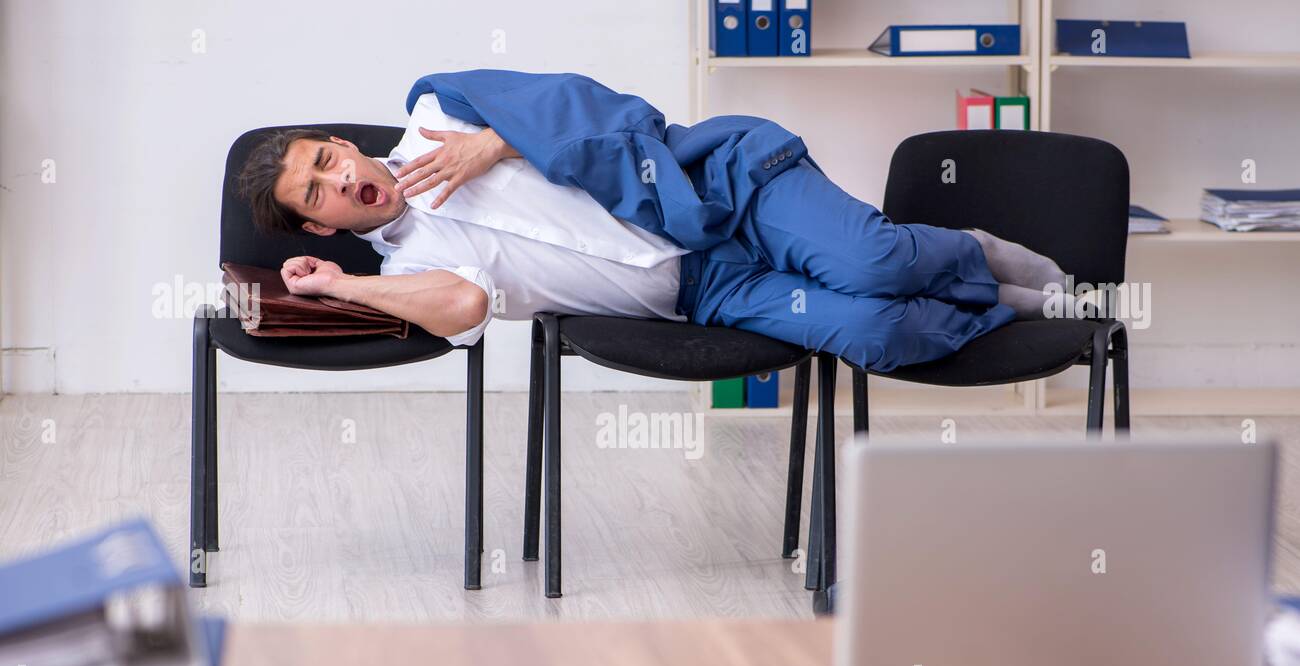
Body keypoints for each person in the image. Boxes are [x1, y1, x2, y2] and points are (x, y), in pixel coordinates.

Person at [237, 70, 1073, 368]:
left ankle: (968, 251)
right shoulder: (409, 263)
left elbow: (592, 104)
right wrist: (347, 284)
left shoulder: (439, 107)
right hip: (705, 286)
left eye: (326, 159)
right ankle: (992, 305)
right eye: (317, 195)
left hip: (724, 184)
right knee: (876, 336)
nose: (341, 180)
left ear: (342, 142)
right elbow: (466, 308)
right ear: (320, 227)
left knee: (876, 267)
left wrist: (495, 143)